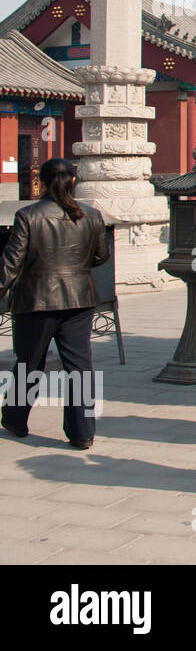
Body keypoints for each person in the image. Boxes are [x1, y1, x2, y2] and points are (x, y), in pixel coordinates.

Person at [0, 158, 109, 449]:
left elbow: (11, 263)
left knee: (29, 363)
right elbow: (101, 256)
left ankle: (15, 419)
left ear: (43, 182)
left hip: (36, 299)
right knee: (79, 365)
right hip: (79, 297)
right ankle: (83, 432)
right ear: (74, 181)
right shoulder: (91, 215)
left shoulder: (28, 215)